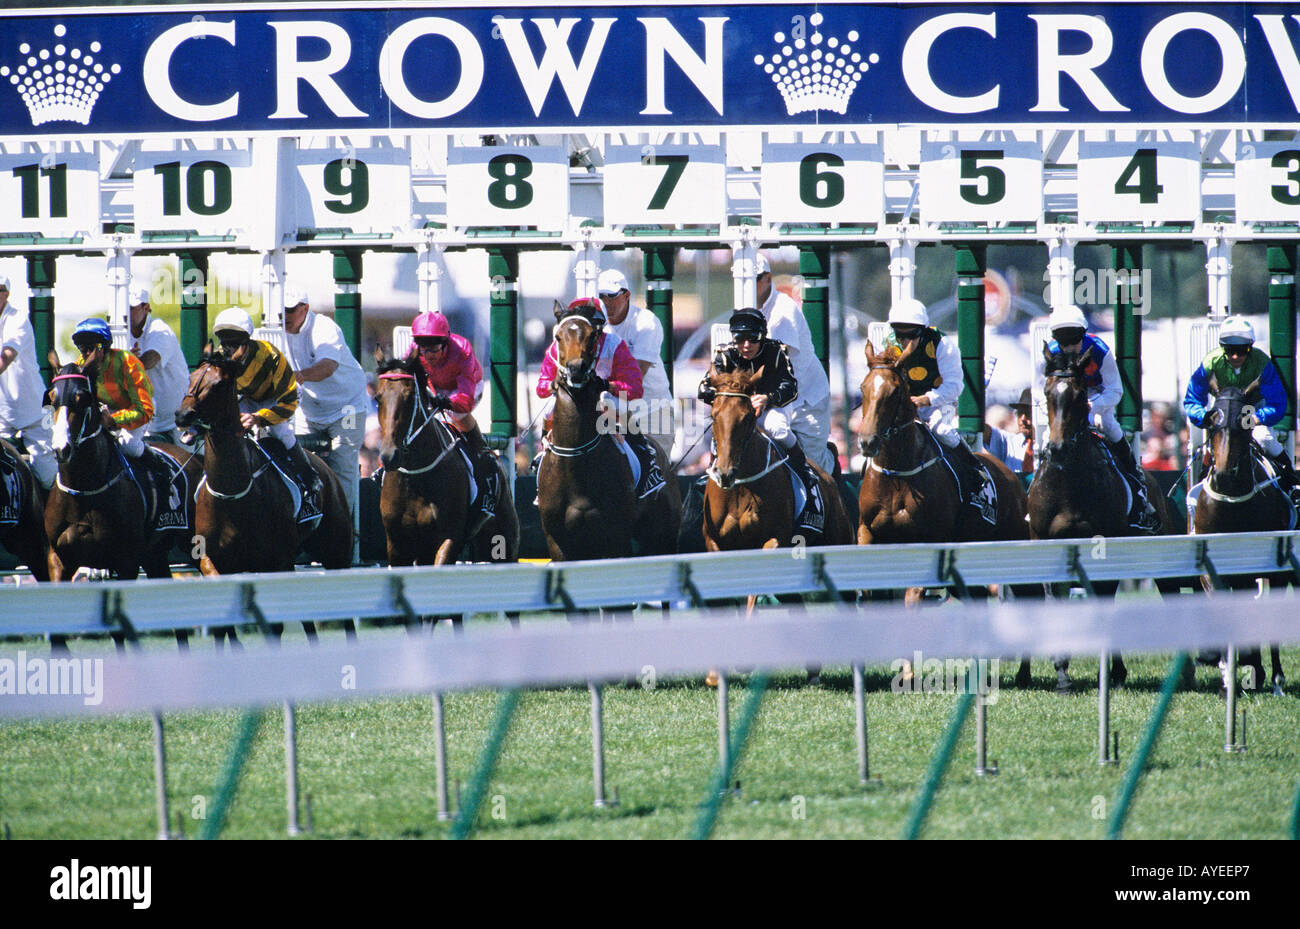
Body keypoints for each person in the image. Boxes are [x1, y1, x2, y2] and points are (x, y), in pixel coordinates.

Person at [1033, 303, 1159, 530]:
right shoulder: (1049, 354)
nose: (1070, 347)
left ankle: (1138, 490)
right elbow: (1036, 389)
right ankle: (1034, 501)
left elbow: (1115, 390)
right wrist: (1052, 410)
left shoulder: (1100, 350)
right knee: (1046, 441)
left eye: (1074, 341)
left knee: (1112, 428)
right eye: (1064, 342)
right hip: (1062, 401)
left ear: (1083, 335)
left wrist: (1093, 407)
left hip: (1096, 398)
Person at [698, 307, 823, 530]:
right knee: (724, 430)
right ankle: (711, 472)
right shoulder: (724, 354)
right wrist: (732, 398)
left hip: (771, 407)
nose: (746, 345)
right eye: (740, 338)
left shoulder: (776, 350)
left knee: (779, 430)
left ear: (762, 336)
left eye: (752, 339)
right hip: (736, 411)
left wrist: (768, 398)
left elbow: (790, 387)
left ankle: (805, 474)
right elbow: (703, 389)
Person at [883, 296, 994, 515]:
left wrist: (926, 400)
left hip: (936, 402)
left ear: (922, 330)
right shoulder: (888, 344)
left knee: (941, 430)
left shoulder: (942, 344)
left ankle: (974, 470)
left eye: (910, 335)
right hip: (902, 406)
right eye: (899, 334)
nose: (903, 341)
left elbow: (954, 386)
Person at [1184, 315, 1299, 503]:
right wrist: (1203, 416)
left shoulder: (1262, 363)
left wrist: (1257, 418)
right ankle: (1199, 494)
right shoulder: (1211, 362)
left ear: (1250, 347)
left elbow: (1277, 403)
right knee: (1208, 446)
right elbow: (1192, 400)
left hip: (1252, 411)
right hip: (1221, 413)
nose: (1235, 356)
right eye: (1230, 351)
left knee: (1264, 437)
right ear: (1223, 348)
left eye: (1242, 351)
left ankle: (1291, 485)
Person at [282, 288, 368, 528]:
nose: (284, 315)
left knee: (343, 462)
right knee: (295, 460)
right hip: (309, 410)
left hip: (347, 407)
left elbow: (328, 366)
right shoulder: (274, 328)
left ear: (305, 308)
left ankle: (341, 528)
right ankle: (304, 520)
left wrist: (295, 376)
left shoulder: (324, 327)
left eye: (290, 309)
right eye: (282, 309)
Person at [210, 307, 320, 496]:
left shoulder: (271, 356)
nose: (228, 349)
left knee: (281, 431)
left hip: (280, 396)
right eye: (224, 342)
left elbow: (289, 401)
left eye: (234, 343)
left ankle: (309, 478)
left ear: (247, 341)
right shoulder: (219, 360)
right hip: (247, 397)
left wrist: (259, 418)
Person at [405, 310, 500, 527]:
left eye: (434, 348)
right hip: (434, 389)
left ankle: (482, 455)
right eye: (423, 347)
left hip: (466, 388)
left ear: (445, 342)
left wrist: (447, 402)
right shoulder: (414, 352)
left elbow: (465, 399)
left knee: (457, 414)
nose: (428, 354)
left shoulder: (462, 350)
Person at [69, 317, 173, 487]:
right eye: (83, 348)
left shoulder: (128, 363)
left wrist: (114, 420)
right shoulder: (79, 366)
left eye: (94, 348)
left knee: (128, 445)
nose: (88, 354)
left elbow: (144, 409)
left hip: (138, 406)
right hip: (107, 409)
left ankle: (156, 462)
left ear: (105, 347)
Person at [755, 254, 834, 473]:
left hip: (806, 398)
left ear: (767, 279)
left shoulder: (783, 312)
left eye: (754, 279)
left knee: (814, 467)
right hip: (772, 396)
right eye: (743, 280)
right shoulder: (745, 310)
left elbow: (778, 369)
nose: (747, 286)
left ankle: (833, 477)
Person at [597, 268, 675, 458]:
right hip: (612, 411)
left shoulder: (646, 322)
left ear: (627, 295)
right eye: (602, 296)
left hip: (654, 411)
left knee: (655, 477)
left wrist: (603, 386)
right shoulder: (597, 325)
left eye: (612, 296)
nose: (607, 302)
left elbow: (636, 377)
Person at [0, 275, 56, 489]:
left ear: (7, 294)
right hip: (3, 415)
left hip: (36, 412)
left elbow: (6, 357)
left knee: (46, 474)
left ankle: (58, 521)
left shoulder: (18, 319)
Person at [127, 282, 189, 445]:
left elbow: (149, 361)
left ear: (146, 308)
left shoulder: (160, 330)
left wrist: (126, 361)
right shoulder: (119, 333)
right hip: (143, 423)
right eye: (124, 307)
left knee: (192, 468)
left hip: (176, 423)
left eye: (131, 308)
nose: (126, 313)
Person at [985, 387, 1034, 474]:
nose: (1022, 419)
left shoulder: (1050, 448)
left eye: (1028, 413)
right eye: (1019, 413)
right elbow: (984, 430)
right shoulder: (1008, 442)